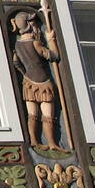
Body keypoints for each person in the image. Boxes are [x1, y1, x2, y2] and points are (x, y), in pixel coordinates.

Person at [11, 10, 60, 150]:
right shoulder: (35, 43)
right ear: (29, 25)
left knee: (32, 114)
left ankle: (34, 141)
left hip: (28, 82)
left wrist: (24, 74)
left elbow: (16, 63)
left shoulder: (17, 44)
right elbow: (53, 56)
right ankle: (52, 143)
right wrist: (51, 39)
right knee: (47, 115)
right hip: (43, 82)